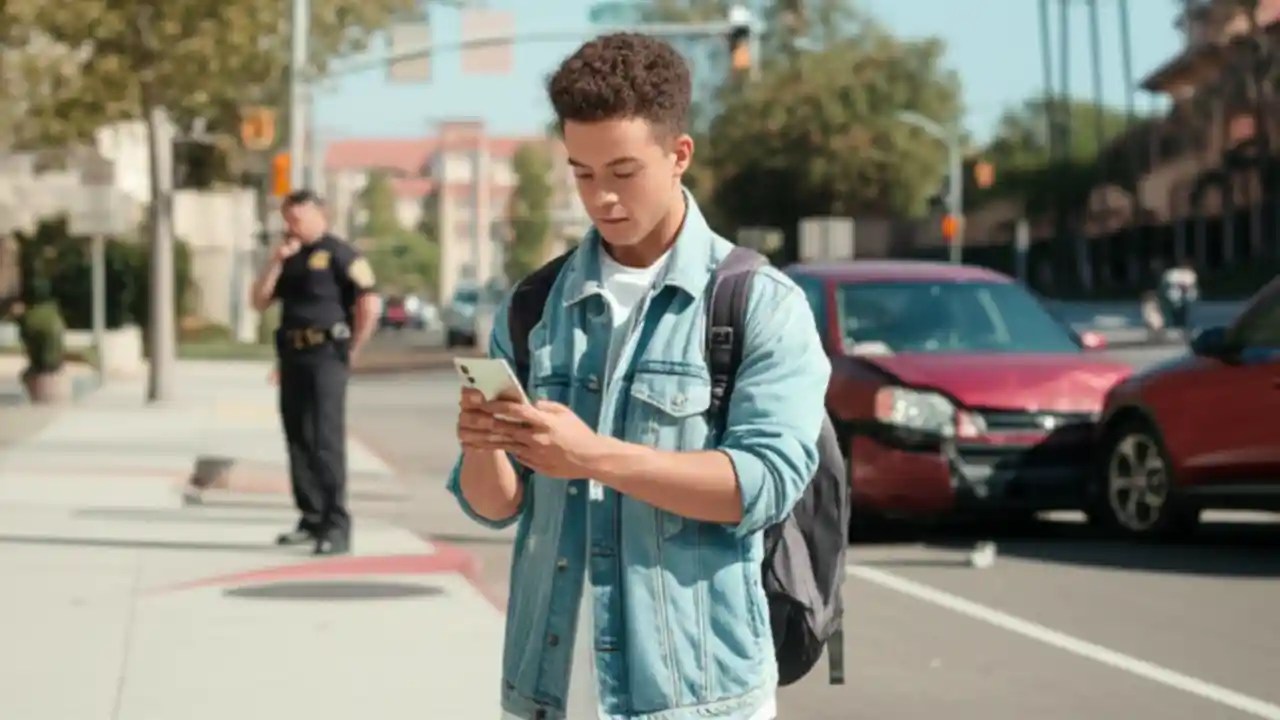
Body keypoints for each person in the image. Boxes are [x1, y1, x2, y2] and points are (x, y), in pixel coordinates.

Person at [447, 33, 830, 720]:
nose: (602, 198)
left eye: (623, 172)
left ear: (679, 154)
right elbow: (493, 504)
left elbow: (764, 484)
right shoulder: (536, 307)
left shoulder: (759, 305)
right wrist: (483, 441)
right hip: (547, 689)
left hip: (697, 699)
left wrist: (593, 458)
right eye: (582, 173)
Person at [250, 189, 379, 555]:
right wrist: (275, 261)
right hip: (293, 356)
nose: (292, 226)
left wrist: (353, 348)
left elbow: (369, 301)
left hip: (327, 355)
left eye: (298, 219)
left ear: (320, 215)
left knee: (325, 441)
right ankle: (310, 518)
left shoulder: (341, 254)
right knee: (298, 440)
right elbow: (259, 301)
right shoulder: (288, 256)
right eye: (288, 220)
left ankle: (336, 525)